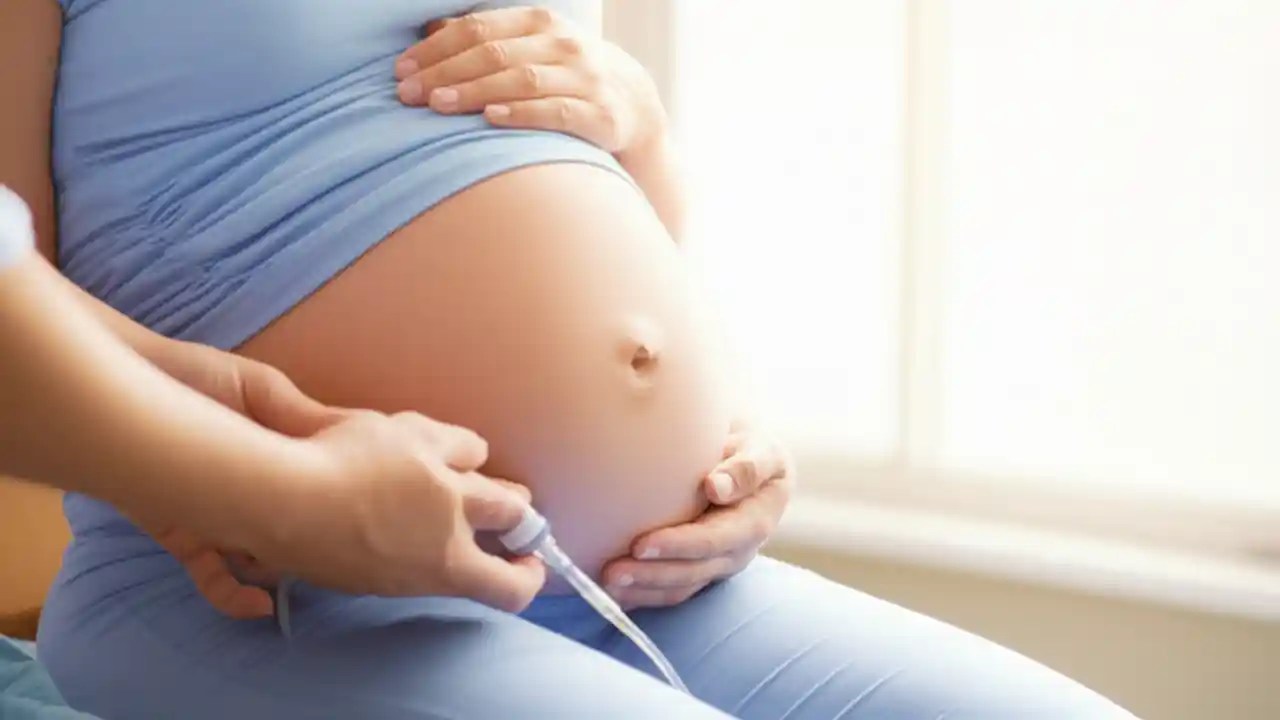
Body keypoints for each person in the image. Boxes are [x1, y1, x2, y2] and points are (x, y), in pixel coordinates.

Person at [3, 0, 1138, 717]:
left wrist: (724, 434)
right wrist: (242, 486)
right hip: (282, 598)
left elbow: (573, 208)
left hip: (649, 583)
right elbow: (19, 290)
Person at [0, 186, 545, 616]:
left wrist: (160, 372)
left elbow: (17, 267)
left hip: (579, 591)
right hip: (279, 597)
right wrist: (289, 501)